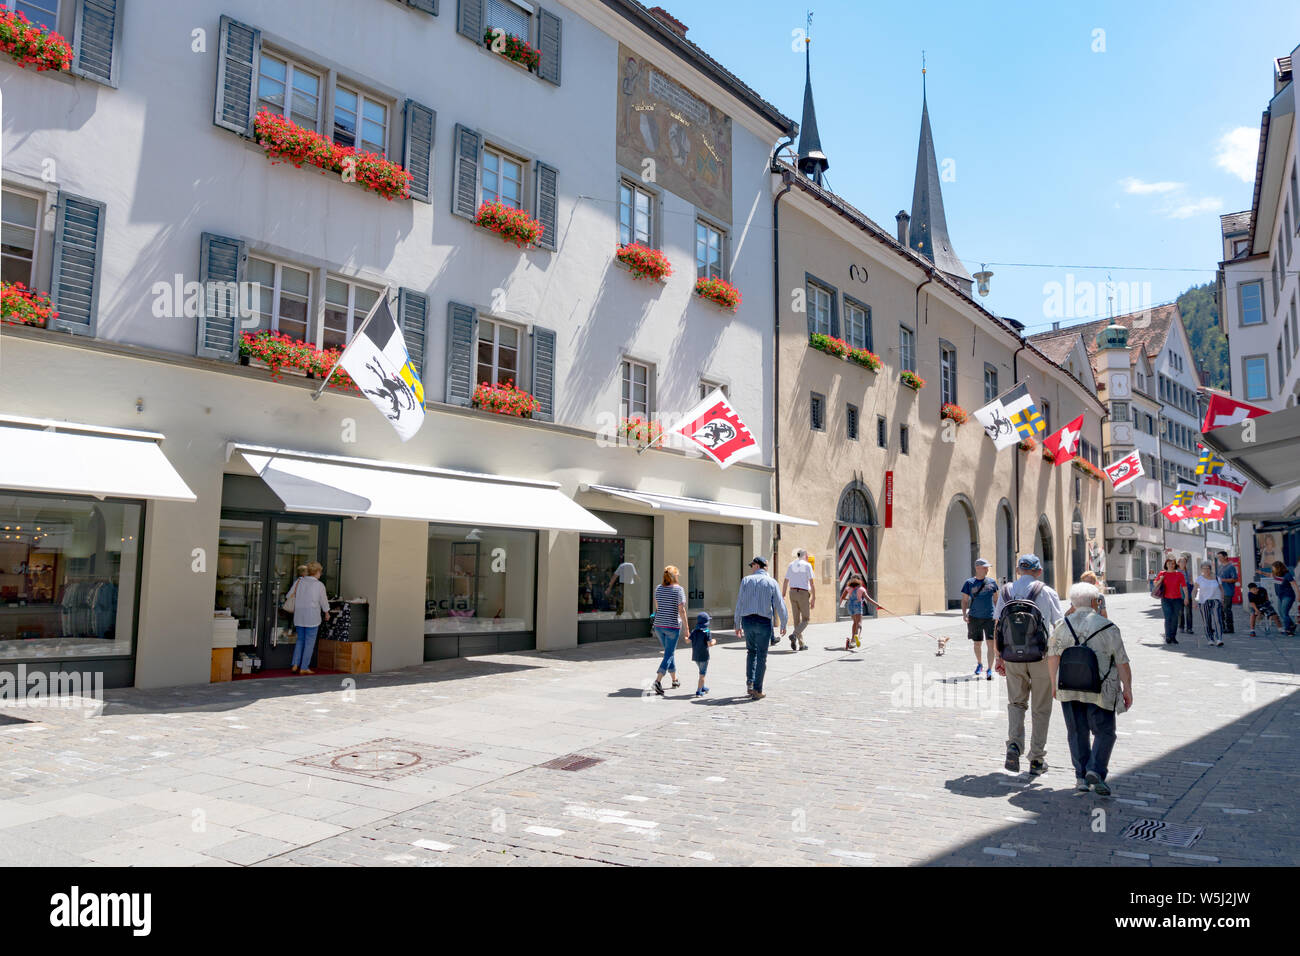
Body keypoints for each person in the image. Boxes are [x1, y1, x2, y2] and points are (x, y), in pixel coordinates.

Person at [1047, 581, 1133, 796]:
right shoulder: (1107, 626)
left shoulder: (1061, 625)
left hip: (1069, 686)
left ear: (1073, 603)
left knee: (1076, 732)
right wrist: (1127, 688)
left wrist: (1053, 683)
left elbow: (1052, 658)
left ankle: (1081, 776)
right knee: (1104, 732)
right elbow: (1122, 661)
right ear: (1096, 602)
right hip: (1102, 688)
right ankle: (1095, 769)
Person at [993, 554, 1064, 777]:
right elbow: (1059, 625)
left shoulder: (1006, 591)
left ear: (1018, 570)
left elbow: (997, 625)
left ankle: (1014, 745)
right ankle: (1036, 759)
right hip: (1041, 656)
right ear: (1039, 571)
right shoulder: (1047, 591)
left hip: (1012, 657)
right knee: (1041, 709)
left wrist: (999, 657)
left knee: (1016, 703)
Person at [734, 556, 788, 700]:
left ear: (757, 566)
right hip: (764, 621)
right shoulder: (772, 582)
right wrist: (784, 622)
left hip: (748, 620)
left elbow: (740, 602)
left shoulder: (746, 580)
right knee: (762, 655)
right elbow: (779, 603)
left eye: (752, 565)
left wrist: (737, 623)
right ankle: (757, 690)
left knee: (751, 651)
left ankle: (750, 684)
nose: (751, 568)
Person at [650, 566, 687, 696]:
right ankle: (658, 681)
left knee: (668, 653)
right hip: (672, 626)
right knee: (669, 654)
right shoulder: (679, 590)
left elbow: (658, 607)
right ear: (675, 576)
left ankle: (674, 680)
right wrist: (687, 629)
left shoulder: (658, 589)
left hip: (659, 625)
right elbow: (681, 610)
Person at [288, 562, 330, 675]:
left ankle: (295, 664)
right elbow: (323, 601)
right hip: (312, 617)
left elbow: (289, 595)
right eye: (320, 571)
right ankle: (304, 667)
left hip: (299, 616)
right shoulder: (319, 585)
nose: (320, 574)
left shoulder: (299, 581)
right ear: (316, 572)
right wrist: (327, 612)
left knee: (300, 640)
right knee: (309, 643)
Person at [960, 558, 998, 679]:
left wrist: (998, 615)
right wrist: (964, 613)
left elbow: (996, 599)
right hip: (974, 617)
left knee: (990, 645)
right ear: (977, 568)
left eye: (987, 567)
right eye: (985, 567)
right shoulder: (969, 583)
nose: (987, 569)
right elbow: (965, 600)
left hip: (990, 618)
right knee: (977, 644)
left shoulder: (992, 582)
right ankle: (980, 664)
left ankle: (989, 669)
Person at [781, 548, 816, 652]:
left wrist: (783, 594)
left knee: (797, 620)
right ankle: (794, 635)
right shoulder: (807, 565)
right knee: (806, 619)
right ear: (805, 556)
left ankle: (801, 644)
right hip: (803, 593)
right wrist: (814, 597)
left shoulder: (791, 565)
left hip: (792, 593)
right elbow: (812, 583)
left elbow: (785, 581)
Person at [1153, 558, 1186, 645]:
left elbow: (1184, 586)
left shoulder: (1179, 574)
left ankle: (1173, 636)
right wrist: (1161, 579)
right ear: (1166, 564)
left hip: (1177, 599)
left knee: (1175, 618)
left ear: (1175, 564)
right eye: (1169, 563)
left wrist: (1186, 597)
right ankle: (1167, 636)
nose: (1171, 565)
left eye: (1172, 563)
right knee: (1168, 618)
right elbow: (1155, 584)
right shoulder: (1162, 573)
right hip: (1165, 599)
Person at [1193, 561, 1225, 647]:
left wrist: (1222, 599)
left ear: (1210, 569)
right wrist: (1194, 601)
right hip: (1204, 601)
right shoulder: (1199, 579)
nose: (1206, 570)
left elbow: (1221, 589)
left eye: (1208, 568)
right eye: (1204, 568)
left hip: (1216, 600)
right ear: (1201, 569)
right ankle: (1210, 638)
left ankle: (1219, 638)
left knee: (1218, 619)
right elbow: (1194, 590)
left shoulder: (1217, 578)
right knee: (1207, 621)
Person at [686, 611, 714, 697]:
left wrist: (686, 636)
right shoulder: (707, 632)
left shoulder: (694, 631)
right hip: (704, 656)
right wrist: (714, 641)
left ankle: (703, 687)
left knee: (701, 671)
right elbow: (710, 644)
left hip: (695, 656)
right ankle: (698, 691)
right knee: (702, 674)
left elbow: (687, 641)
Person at [840, 575, 868, 651]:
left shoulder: (848, 588)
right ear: (859, 580)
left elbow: (842, 598)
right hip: (858, 606)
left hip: (850, 606)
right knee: (859, 624)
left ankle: (852, 640)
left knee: (855, 622)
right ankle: (857, 637)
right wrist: (877, 605)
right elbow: (868, 599)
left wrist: (848, 598)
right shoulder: (861, 589)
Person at [1271, 561, 1299, 636]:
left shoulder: (1287, 575)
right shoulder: (1276, 574)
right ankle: (1292, 625)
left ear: (1278, 568)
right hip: (1280, 596)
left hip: (1288, 596)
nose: (1272, 569)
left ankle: (1289, 630)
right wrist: (1261, 572)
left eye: (1273, 567)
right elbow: (1269, 574)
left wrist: (1298, 595)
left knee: (1284, 613)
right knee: (1281, 612)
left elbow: (1295, 585)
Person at [1215, 552, 1238, 634]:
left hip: (1228, 591)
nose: (1219, 559)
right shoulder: (1220, 567)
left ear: (1225, 557)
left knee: (1226, 609)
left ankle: (1230, 628)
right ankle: (1222, 627)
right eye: (1218, 557)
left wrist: (1223, 580)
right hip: (1220, 592)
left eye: (1220, 557)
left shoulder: (1231, 567)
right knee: (1220, 610)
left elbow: (1235, 579)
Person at [1176, 556, 1195, 635]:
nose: (1183, 563)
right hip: (1179, 593)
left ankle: (1189, 628)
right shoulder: (1176, 572)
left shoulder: (1188, 572)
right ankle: (1181, 627)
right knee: (1180, 611)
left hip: (1188, 592)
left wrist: (1192, 585)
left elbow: (1191, 581)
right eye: (1182, 562)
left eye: (1184, 562)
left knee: (1189, 612)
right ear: (1178, 563)